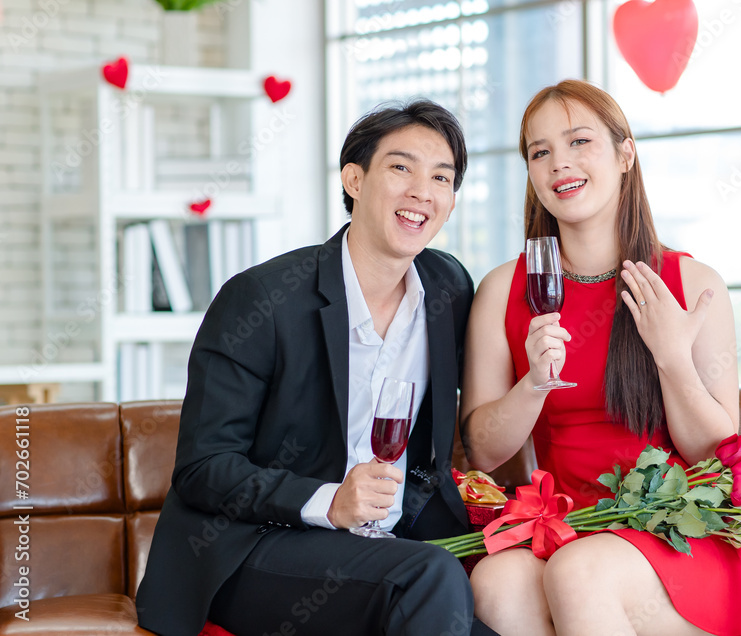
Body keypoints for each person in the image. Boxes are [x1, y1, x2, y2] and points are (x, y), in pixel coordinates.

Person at [460, 79, 741, 636]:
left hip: (675, 529)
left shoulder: (691, 284)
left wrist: (672, 358)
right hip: (569, 524)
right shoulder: (503, 291)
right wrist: (534, 385)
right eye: (540, 152)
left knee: (579, 573)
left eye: (579, 142)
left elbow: (716, 454)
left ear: (625, 153)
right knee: (495, 583)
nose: (559, 164)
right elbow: (483, 451)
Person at [136, 100, 495, 636]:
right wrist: (330, 501)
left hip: (386, 553)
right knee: (429, 577)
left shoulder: (448, 287)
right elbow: (203, 467)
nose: (423, 190)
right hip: (255, 548)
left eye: (441, 177)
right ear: (354, 178)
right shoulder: (262, 300)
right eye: (401, 168)